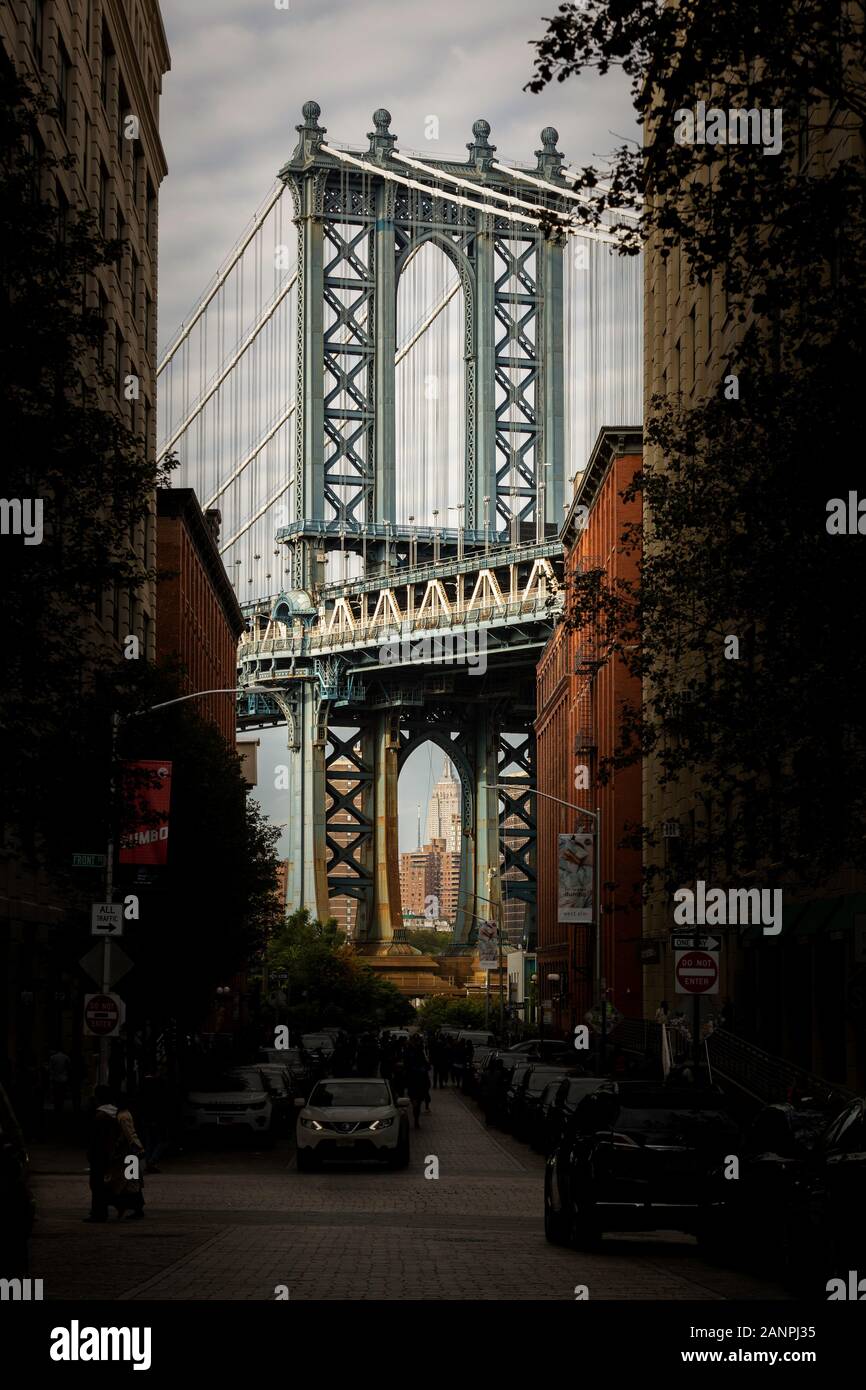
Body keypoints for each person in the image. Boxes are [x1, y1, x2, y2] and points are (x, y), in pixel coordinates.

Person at [83, 1085, 120, 1223]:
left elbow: (95, 1139)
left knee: (96, 1184)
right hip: (107, 1153)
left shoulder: (100, 1116)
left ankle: (98, 1212)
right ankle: (101, 1210)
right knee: (101, 1184)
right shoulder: (113, 1113)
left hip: (99, 1154)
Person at [110, 1096, 146, 1220]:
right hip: (129, 1152)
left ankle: (135, 1208)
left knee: (130, 1182)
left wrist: (138, 1148)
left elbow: (130, 1134)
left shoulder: (123, 1116)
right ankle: (136, 1207)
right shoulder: (125, 1114)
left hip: (128, 1153)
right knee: (132, 1181)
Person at [48, 1046, 71, 1120]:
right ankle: (60, 1106)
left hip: (55, 1078)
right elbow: (69, 1067)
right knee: (62, 1094)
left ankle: (56, 1107)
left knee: (56, 1093)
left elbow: (50, 1068)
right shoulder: (66, 1057)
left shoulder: (52, 1057)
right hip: (63, 1078)